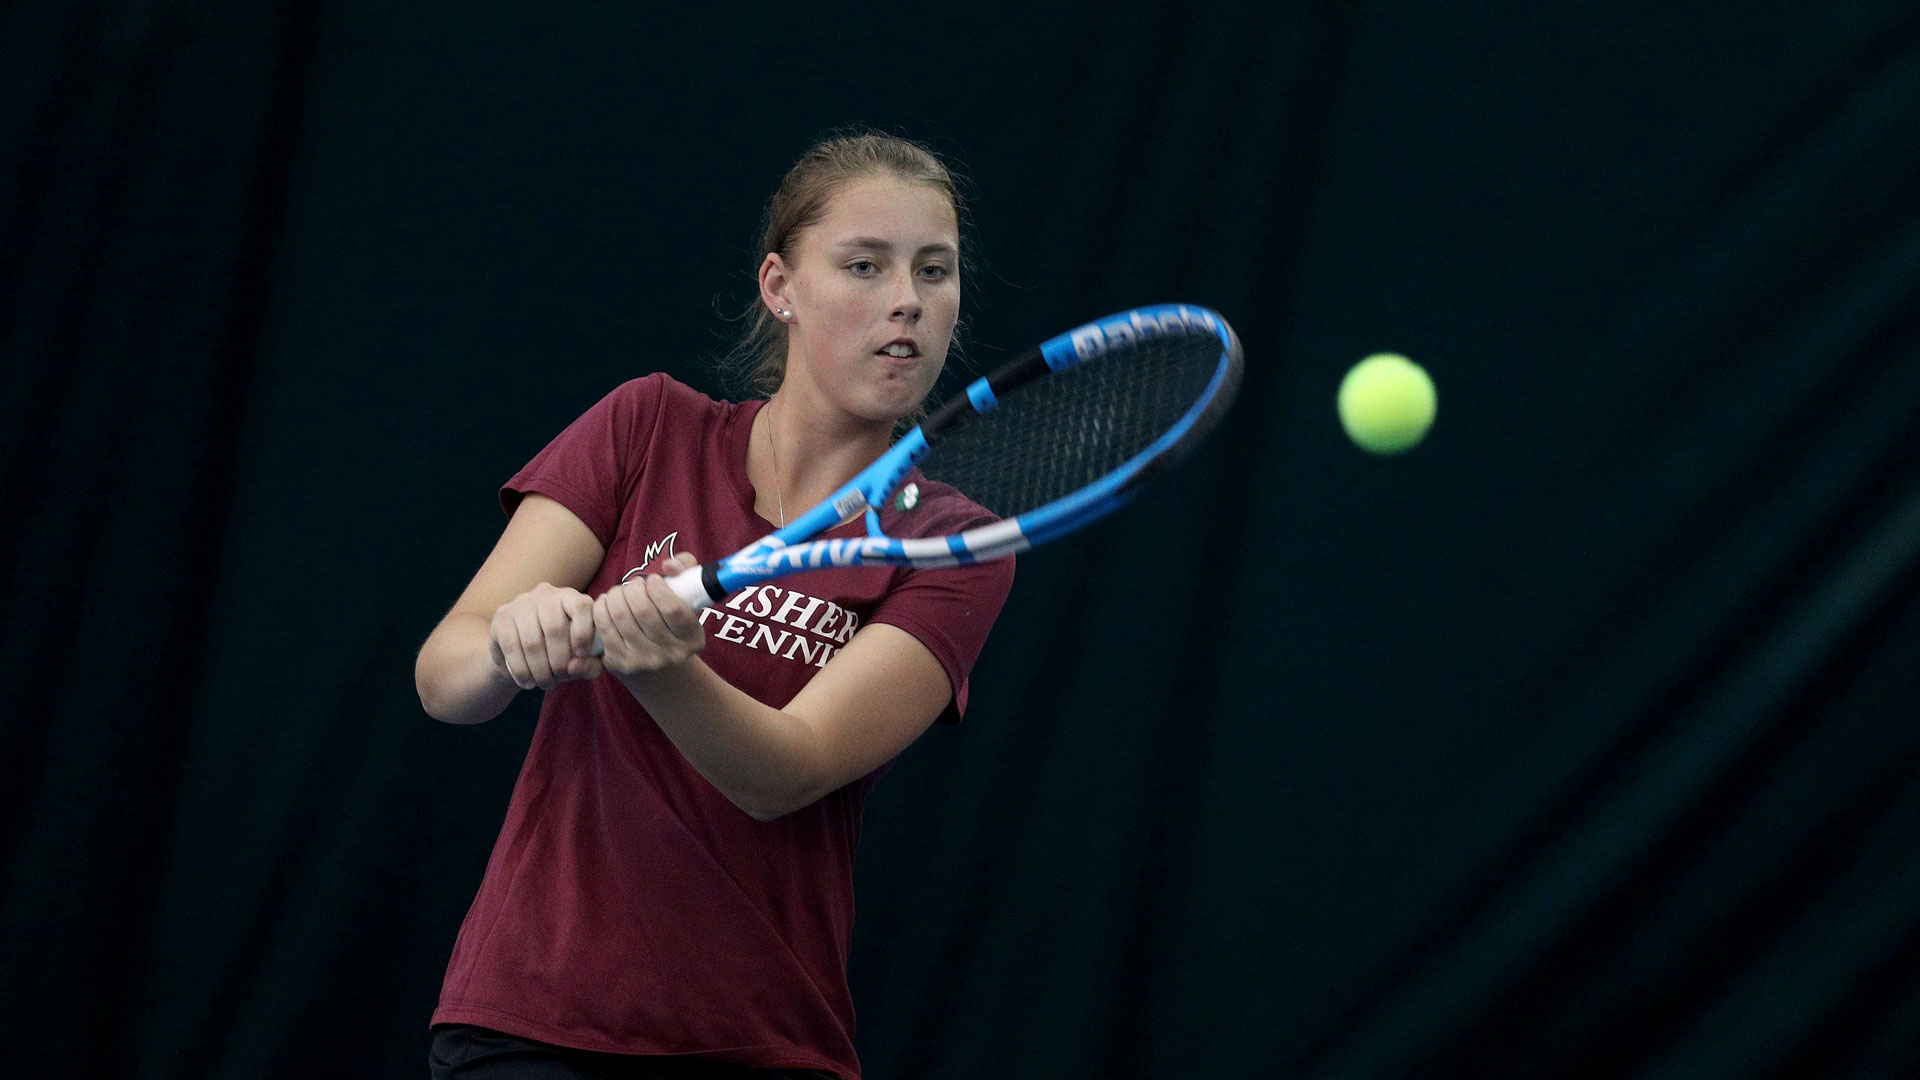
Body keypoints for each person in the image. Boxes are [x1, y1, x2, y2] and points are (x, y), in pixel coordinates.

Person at [413, 131, 1014, 1080]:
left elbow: (786, 773)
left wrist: (662, 668)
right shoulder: (645, 425)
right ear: (780, 286)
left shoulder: (956, 543)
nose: (907, 298)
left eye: (933, 271)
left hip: (763, 1040)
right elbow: (446, 676)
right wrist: (508, 645)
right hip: (532, 1022)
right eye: (865, 265)